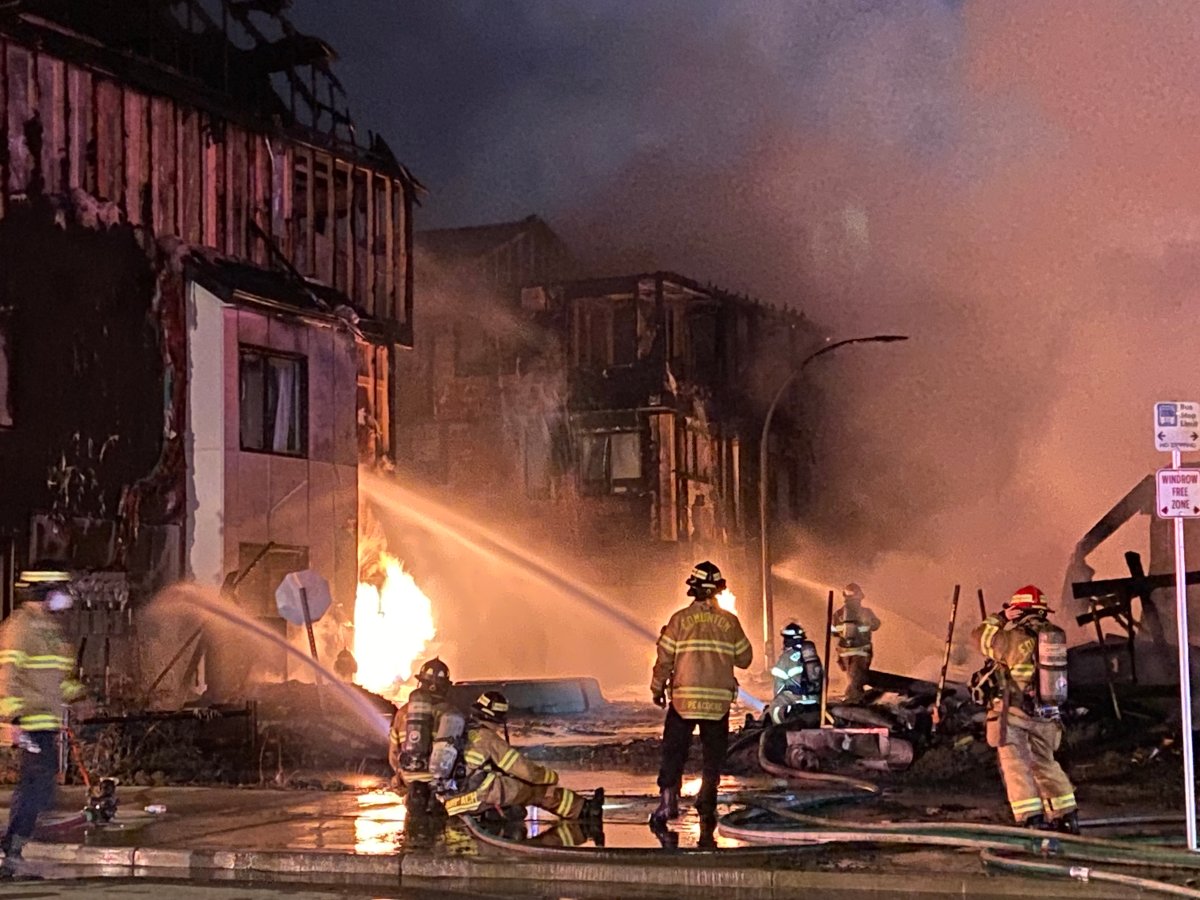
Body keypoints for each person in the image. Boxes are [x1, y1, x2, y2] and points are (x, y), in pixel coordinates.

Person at [649, 561, 752, 828]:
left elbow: (664, 660)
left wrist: (657, 688)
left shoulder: (680, 620)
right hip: (717, 704)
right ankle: (707, 799)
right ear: (717, 589)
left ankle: (668, 801)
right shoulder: (729, 622)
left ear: (693, 588)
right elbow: (745, 659)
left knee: (674, 751)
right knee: (713, 754)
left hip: (684, 701)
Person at [0, 566, 87, 874]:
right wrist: (12, 719)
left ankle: (12, 848)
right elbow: (7, 676)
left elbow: (57, 679)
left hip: (45, 720)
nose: (64, 596)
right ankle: (10, 849)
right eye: (60, 589)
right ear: (44, 591)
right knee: (37, 785)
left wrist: (80, 695)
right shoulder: (19, 627)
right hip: (27, 721)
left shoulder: (51, 629)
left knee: (40, 786)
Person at [971, 585, 1078, 833]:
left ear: (1018, 611)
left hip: (1014, 714)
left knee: (1016, 765)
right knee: (1045, 764)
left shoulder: (1011, 638)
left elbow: (979, 636)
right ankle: (1066, 816)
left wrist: (1000, 616)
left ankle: (1031, 820)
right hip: (1047, 716)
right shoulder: (1055, 636)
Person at [441, 690, 604, 822]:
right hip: (476, 797)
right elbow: (526, 771)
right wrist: (550, 777)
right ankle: (585, 810)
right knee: (537, 790)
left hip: (453, 800)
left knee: (508, 787)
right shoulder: (489, 739)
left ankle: (499, 815)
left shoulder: (463, 733)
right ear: (499, 717)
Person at [387, 658, 464, 815]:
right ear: (444, 687)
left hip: (409, 778)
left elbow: (393, 754)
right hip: (438, 779)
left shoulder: (402, 712)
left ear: (421, 683)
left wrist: (401, 775)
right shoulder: (451, 713)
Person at [767, 622, 824, 728]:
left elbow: (778, 688)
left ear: (786, 640)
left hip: (796, 702)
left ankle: (780, 728)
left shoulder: (785, 658)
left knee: (774, 708)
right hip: (816, 702)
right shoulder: (813, 657)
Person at [832, 583, 881, 703]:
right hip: (862, 652)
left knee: (853, 679)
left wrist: (839, 652)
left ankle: (855, 701)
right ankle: (854, 703)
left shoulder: (838, 614)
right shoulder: (866, 612)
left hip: (844, 653)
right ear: (860, 596)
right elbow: (876, 625)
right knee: (856, 681)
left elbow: (834, 633)